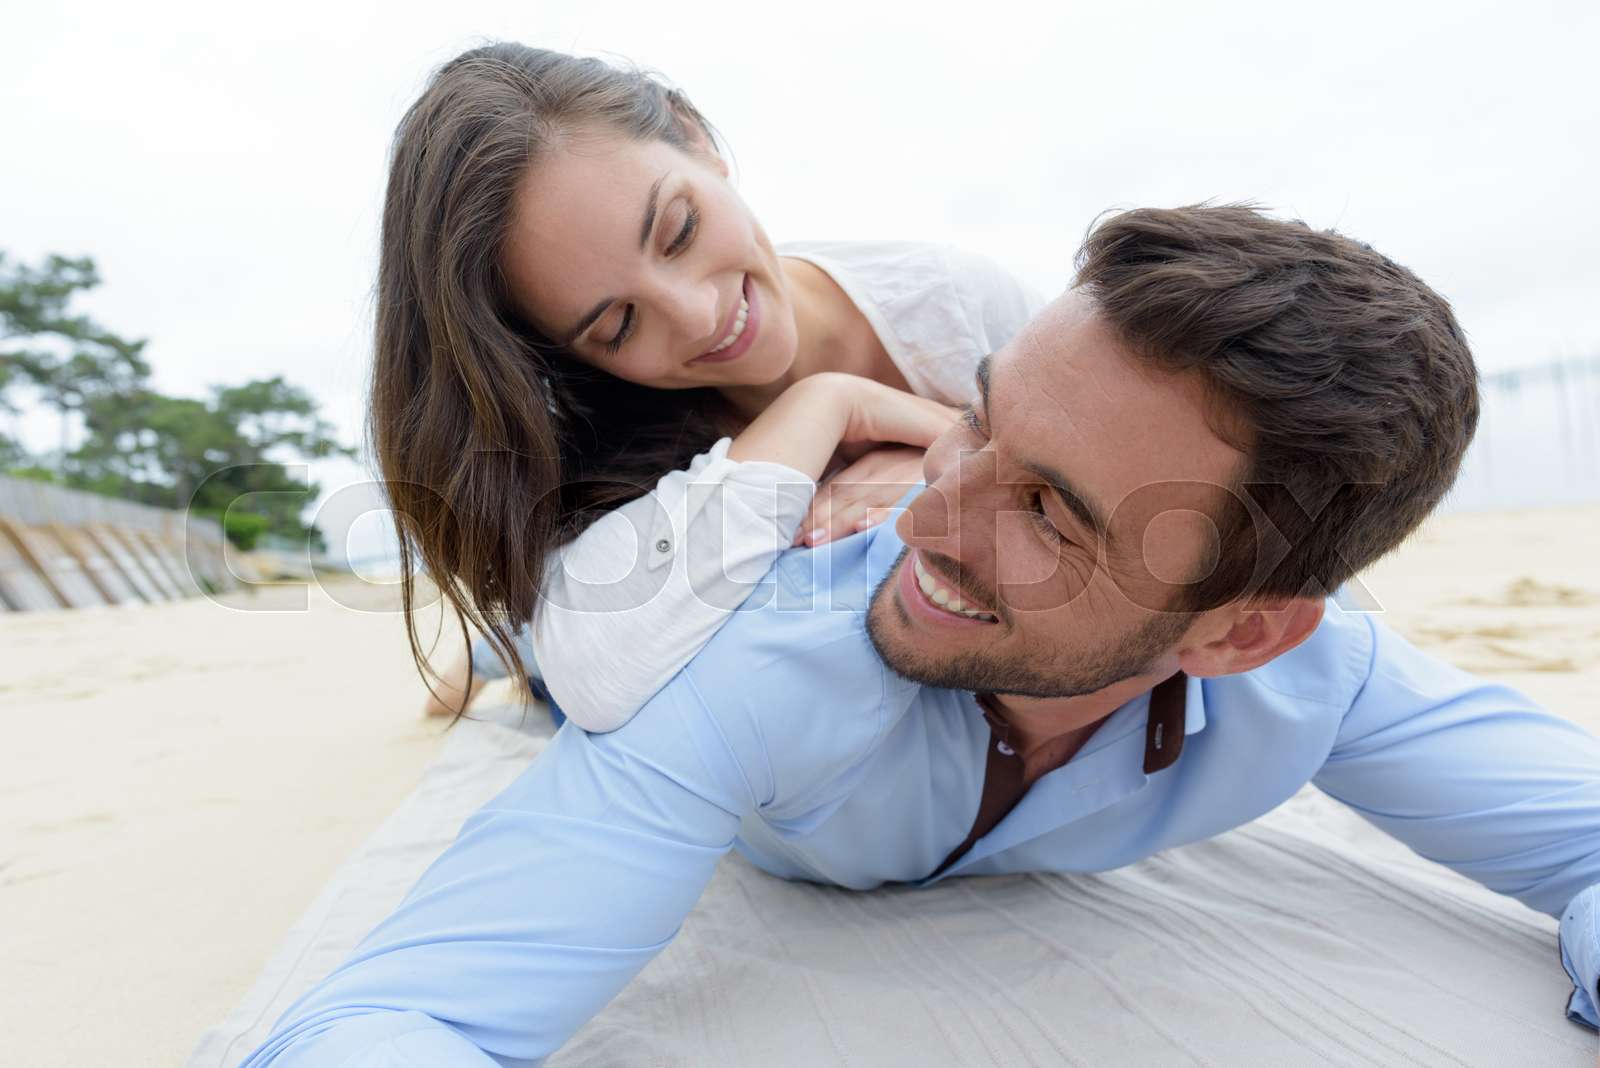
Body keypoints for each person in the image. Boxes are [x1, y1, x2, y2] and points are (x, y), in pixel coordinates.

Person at [243, 205, 1600, 1066]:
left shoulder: (1320, 680)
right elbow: (403, 1015)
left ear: (1241, 636)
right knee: (558, 662)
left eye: (1051, 511)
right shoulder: (755, 666)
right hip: (663, 621)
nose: (937, 511)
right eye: (980, 415)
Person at [377, 43, 1041, 728]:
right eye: (620, 325)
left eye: (680, 230)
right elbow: (596, 666)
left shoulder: (955, 309)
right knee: (541, 661)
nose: (700, 316)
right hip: (586, 618)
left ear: (695, 138)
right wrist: (829, 403)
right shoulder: (610, 450)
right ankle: (497, 653)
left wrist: (948, 456)